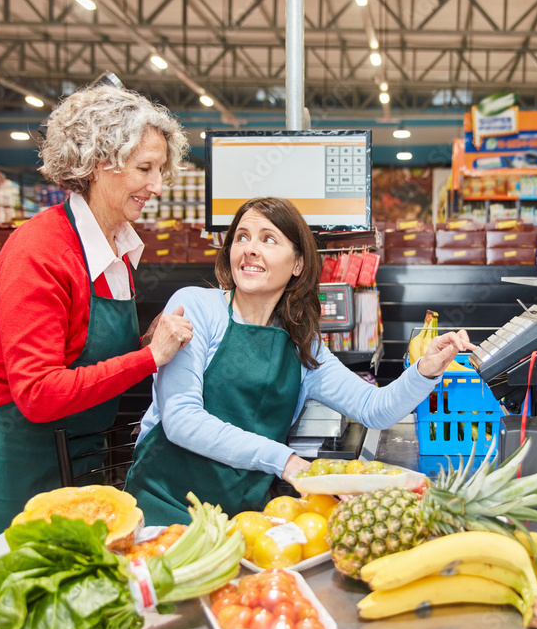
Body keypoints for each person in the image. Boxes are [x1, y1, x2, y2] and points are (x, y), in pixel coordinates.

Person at [0, 85, 195, 570]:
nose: (158, 187)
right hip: (13, 466)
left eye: (160, 170)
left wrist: (148, 340)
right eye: (145, 169)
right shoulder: (39, 252)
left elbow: (84, 353)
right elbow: (37, 391)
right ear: (99, 162)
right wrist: (148, 357)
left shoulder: (115, 246)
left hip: (76, 459)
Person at [123, 197, 473, 525]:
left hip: (241, 520)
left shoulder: (302, 345)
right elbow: (182, 420)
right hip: (162, 508)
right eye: (242, 237)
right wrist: (285, 461)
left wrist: (426, 370)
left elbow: (374, 407)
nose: (250, 249)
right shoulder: (196, 307)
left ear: (298, 263)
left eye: (268, 239)